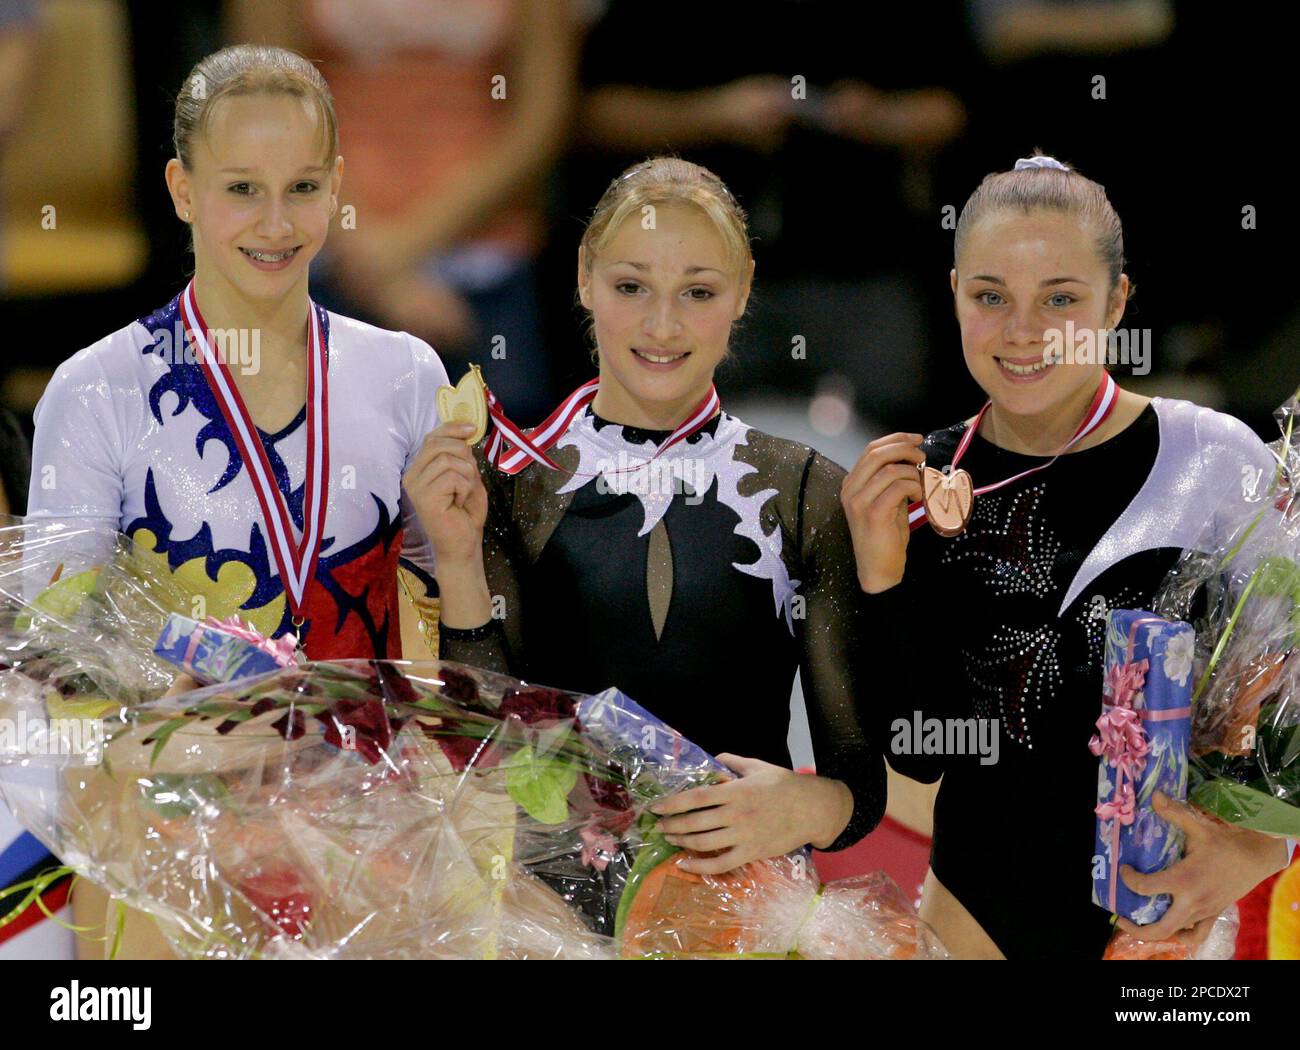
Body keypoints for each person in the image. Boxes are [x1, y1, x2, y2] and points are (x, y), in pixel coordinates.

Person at [24, 44, 451, 956]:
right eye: (241, 189)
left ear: (338, 187)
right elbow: (53, 655)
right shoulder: (97, 388)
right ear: (181, 190)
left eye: (303, 188)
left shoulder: (405, 375)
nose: (276, 222)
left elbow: (450, 627)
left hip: (366, 833)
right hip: (169, 826)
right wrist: (161, 735)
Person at [842, 154, 1295, 959]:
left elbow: (1286, 705)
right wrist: (880, 581)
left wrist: (1261, 850)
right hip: (973, 924)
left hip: (1169, 928)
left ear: (1116, 301)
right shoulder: (916, 484)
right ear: (955, 293)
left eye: (1061, 299)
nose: (1023, 332)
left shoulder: (1215, 460)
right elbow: (918, 751)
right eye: (991, 297)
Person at [409, 157, 885, 901]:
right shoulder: (512, 484)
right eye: (631, 287)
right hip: (555, 919)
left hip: (742, 914)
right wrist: (457, 557)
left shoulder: (804, 491)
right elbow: (479, 754)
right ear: (584, 278)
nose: (663, 326)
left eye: (698, 292)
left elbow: (859, 780)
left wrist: (808, 805)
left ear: (743, 290)